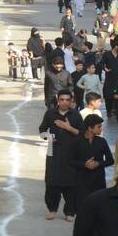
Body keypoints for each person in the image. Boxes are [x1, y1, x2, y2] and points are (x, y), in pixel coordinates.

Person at [39, 88, 83, 221]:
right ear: (58, 100)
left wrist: (68, 128)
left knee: (71, 183)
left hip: (72, 153)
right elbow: (42, 130)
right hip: (54, 152)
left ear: (71, 101)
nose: (64, 102)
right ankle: (52, 209)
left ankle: (70, 212)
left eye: (67, 100)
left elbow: (82, 134)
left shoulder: (76, 115)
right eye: (62, 100)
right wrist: (48, 136)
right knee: (52, 181)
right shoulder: (50, 114)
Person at [70, 114, 113, 205]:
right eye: (99, 127)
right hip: (81, 180)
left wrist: (98, 164)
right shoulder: (77, 142)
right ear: (90, 128)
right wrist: (84, 165)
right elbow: (70, 161)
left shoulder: (102, 142)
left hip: (98, 180)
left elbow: (110, 160)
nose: (101, 129)